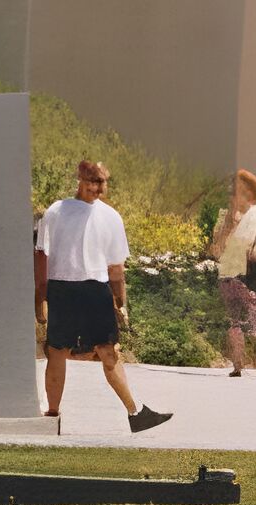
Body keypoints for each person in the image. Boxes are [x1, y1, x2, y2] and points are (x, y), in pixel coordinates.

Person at [34, 159, 170, 431]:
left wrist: (121, 303)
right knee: (57, 351)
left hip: (96, 287)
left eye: (102, 182)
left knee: (109, 352)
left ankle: (136, 413)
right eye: (93, 181)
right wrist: (40, 296)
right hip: (62, 285)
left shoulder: (110, 216)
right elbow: (42, 254)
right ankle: (52, 414)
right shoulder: (56, 211)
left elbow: (116, 267)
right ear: (80, 180)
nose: (98, 188)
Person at [207, 168, 256, 378]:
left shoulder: (243, 215)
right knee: (252, 319)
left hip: (243, 271)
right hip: (247, 273)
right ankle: (253, 366)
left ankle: (250, 366)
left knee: (250, 319)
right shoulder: (252, 216)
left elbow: (217, 250)